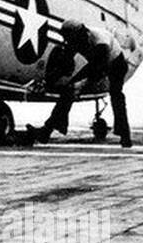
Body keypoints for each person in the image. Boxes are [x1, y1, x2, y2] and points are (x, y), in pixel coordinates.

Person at [38, 19, 132, 147]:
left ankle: (124, 134)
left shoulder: (100, 41)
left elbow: (98, 68)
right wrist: (47, 81)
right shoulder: (74, 39)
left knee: (116, 94)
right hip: (96, 62)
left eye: (71, 40)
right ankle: (48, 130)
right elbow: (65, 65)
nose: (69, 43)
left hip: (115, 63)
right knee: (69, 90)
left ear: (80, 34)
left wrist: (82, 83)